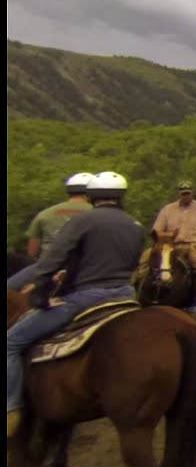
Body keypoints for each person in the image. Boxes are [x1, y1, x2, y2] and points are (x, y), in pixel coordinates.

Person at [7, 171, 144, 438]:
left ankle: (10, 408)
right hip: (126, 296)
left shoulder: (82, 222)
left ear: (92, 196)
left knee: (10, 342)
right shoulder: (135, 225)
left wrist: (40, 297)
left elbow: (48, 264)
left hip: (85, 298)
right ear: (121, 196)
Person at [138, 180, 196, 300]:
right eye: (183, 193)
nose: (186, 196)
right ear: (179, 194)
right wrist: (168, 236)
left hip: (193, 246)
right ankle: (139, 293)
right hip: (170, 245)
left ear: (192, 193)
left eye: (188, 193)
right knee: (144, 260)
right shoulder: (168, 209)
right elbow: (157, 230)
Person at [7, 173, 96, 293]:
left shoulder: (45, 214)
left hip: (45, 268)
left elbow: (32, 252)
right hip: (88, 269)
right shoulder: (100, 214)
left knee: (9, 289)